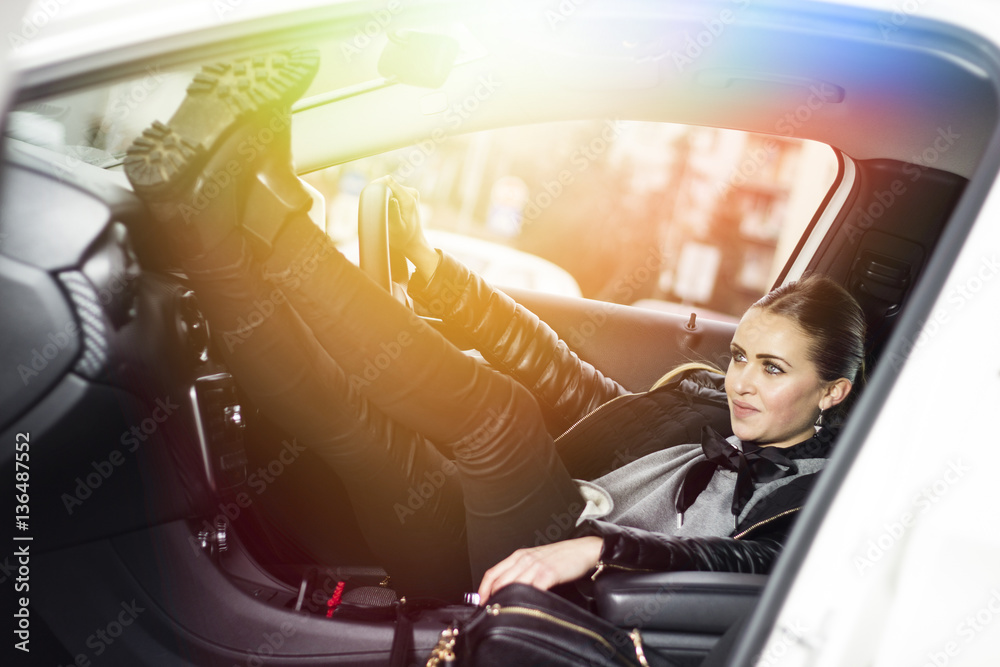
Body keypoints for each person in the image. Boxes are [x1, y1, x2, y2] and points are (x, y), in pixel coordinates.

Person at [123, 49, 866, 604]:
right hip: (494, 540)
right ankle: (206, 231)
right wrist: (440, 278)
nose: (740, 379)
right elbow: (575, 387)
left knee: (499, 419)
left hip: (562, 590)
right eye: (741, 355)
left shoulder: (822, 498)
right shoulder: (705, 398)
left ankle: (262, 208)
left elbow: (739, 566)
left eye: (773, 369)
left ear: (832, 392)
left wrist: (594, 550)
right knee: (357, 425)